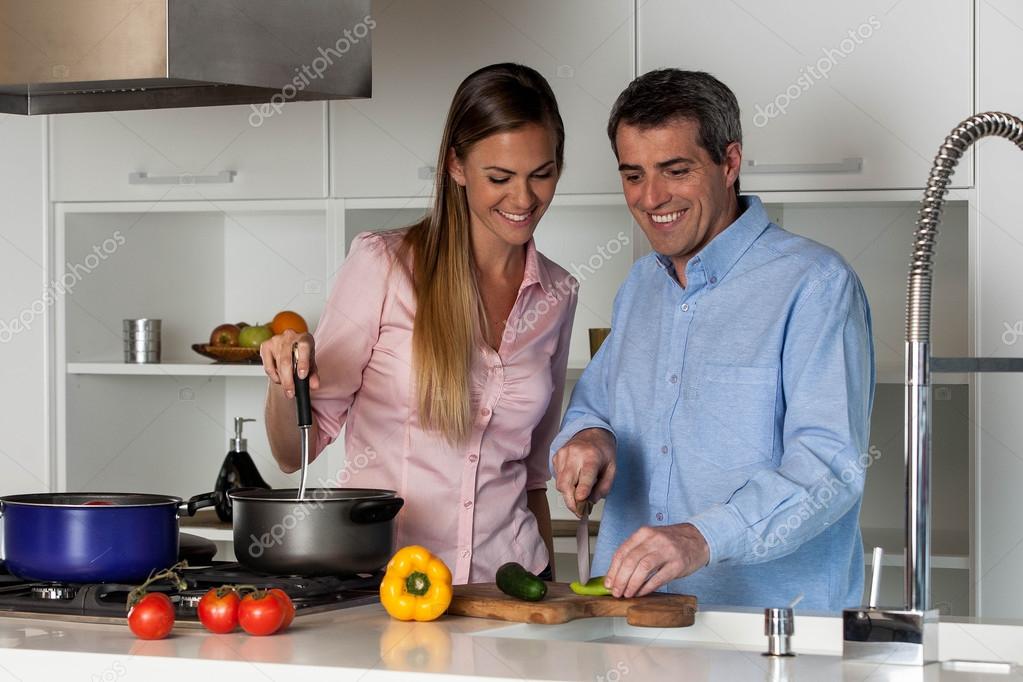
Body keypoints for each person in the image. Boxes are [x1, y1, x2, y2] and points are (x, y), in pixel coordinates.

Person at [551, 69, 874, 611]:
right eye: (633, 175)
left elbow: (829, 469)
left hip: (769, 633)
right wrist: (590, 439)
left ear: (730, 163)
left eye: (675, 170)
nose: (651, 197)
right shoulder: (640, 287)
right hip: (634, 623)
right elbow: (596, 408)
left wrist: (701, 537)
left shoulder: (815, 284)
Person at [261, 63, 577, 584]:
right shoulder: (384, 265)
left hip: (514, 582)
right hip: (390, 586)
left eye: (541, 175)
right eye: (499, 177)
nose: (523, 200)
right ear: (456, 165)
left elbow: (533, 477)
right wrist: (281, 381)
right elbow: (294, 453)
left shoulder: (558, 294)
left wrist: (550, 598)